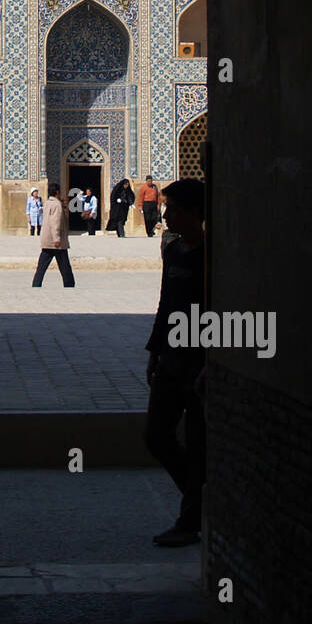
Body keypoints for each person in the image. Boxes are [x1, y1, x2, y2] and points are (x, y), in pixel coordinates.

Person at [143, 178, 206, 547]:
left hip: (197, 362)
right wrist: (154, 352)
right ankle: (201, 497)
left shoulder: (213, 254)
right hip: (171, 358)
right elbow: (166, 303)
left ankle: (190, 519)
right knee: (156, 435)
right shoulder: (174, 250)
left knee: (198, 444)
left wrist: (211, 363)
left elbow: (222, 309)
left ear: (196, 212)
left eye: (174, 209)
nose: (166, 215)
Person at [31, 182, 75, 287]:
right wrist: (57, 238)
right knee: (65, 266)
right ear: (57, 192)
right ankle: (69, 284)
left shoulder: (47, 203)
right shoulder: (56, 204)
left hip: (47, 239)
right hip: (56, 242)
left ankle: (36, 283)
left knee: (42, 266)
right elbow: (55, 222)